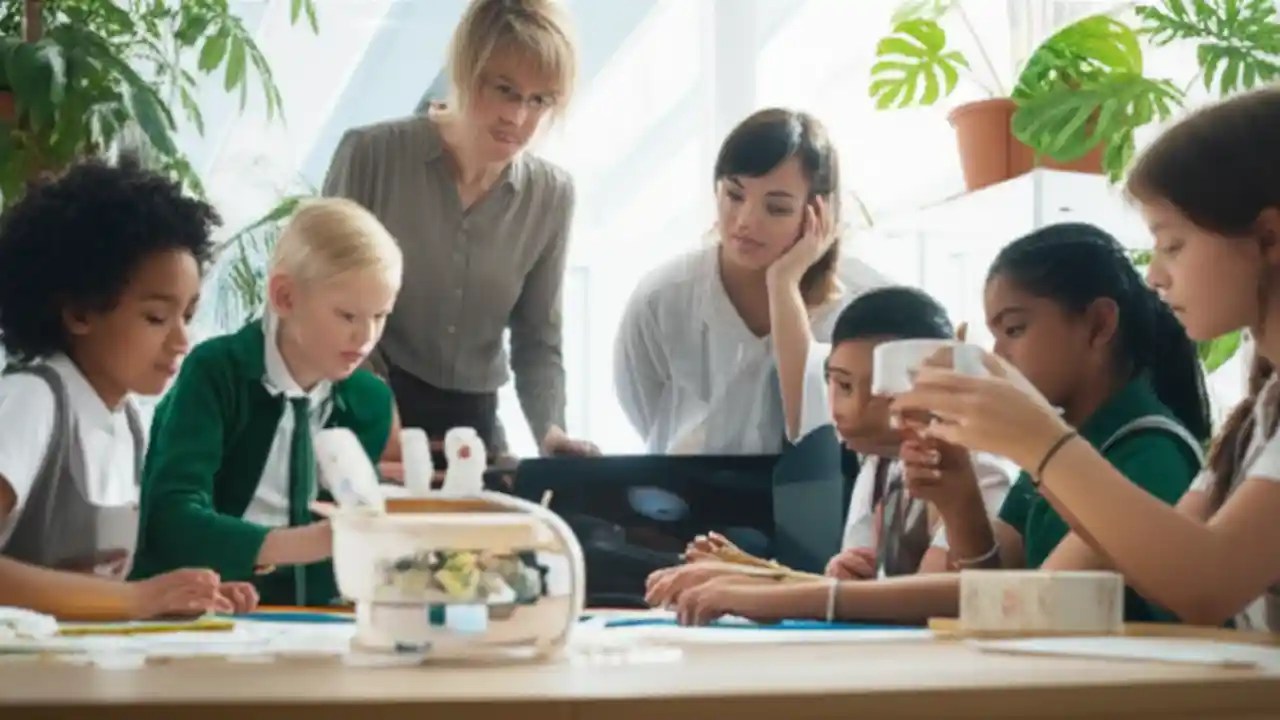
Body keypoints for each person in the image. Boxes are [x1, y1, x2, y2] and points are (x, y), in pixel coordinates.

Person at [650, 221, 1210, 625]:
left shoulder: (1144, 448)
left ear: (1097, 325)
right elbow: (987, 588)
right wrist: (961, 500)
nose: (997, 357)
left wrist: (777, 595)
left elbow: (1030, 601)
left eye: (1014, 330)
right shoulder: (1065, 451)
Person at [888, 87, 1280, 631]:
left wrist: (1040, 439)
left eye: (1173, 245)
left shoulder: (1147, 447)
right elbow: (1165, 561)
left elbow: (1205, 583)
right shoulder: (1257, 417)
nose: (1156, 275)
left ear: (1268, 237)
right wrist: (974, 489)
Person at [322, 0, 593, 462]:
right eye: (505, 90)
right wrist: (379, 419)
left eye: (539, 100)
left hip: (474, 425)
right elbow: (323, 300)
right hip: (364, 401)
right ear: (467, 71)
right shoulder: (371, 155)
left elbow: (537, 341)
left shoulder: (553, 196)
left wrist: (552, 432)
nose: (519, 118)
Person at [0, 158, 255, 618]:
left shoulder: (129, 422)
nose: (182, 340)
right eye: (156, 317)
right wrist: (138, 598)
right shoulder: (33, 401)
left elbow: (93, 591)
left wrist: (186, 597)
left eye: (188, 316)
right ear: (79, 312)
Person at [132, 198, 402, 607]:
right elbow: (170, 519)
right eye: (347, 316)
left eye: (380, 316)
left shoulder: (370, 401)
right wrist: (304, 544)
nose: (365, 337)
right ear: (285, 297)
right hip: (199, 607)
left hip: (318, 621)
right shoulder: (215, 373)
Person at [671, 287, 1014, 586]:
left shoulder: (978, 471)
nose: (854, 407)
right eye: (842, 384)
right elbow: (865, 585)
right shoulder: (879, 465)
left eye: (882, 389)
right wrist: (842, 574)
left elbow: (931, 597)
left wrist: (756, 583)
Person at [614, 108, 888, 455]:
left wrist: (784, 284)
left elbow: (817, 434)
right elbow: (643, 407)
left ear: (819, 214)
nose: (745, 221)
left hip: (822, 502)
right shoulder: (663, 296)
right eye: (734, 195)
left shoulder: (863, 304)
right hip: (688, 498)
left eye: (776, 208)